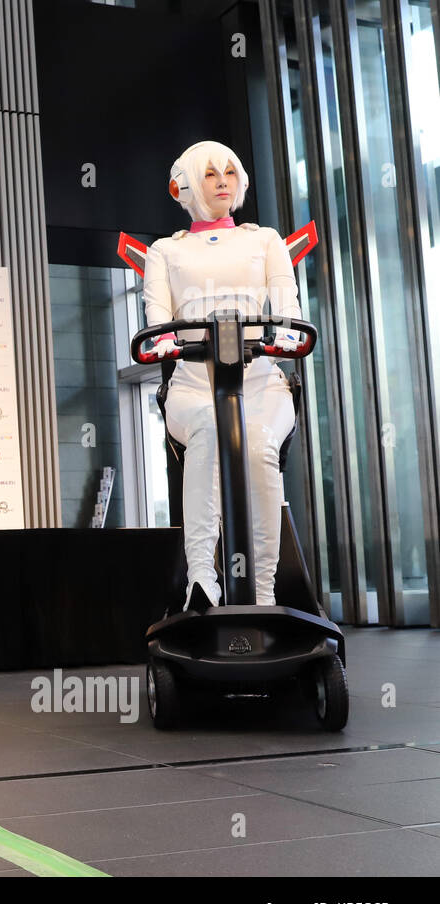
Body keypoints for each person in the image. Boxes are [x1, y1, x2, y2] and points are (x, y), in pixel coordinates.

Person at [142, 140, 302, 609]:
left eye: (230, 174)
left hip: (259, 382)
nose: (223, 183)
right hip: (193, 385)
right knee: (210, 437)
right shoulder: (165, 252)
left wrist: (286, 337)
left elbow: (287, 307)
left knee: (256, 447)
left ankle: (265, 589)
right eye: (211, 175)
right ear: (187, 184)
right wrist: (165, 342)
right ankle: (201, 578)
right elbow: (157, 319)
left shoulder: (264, 239)